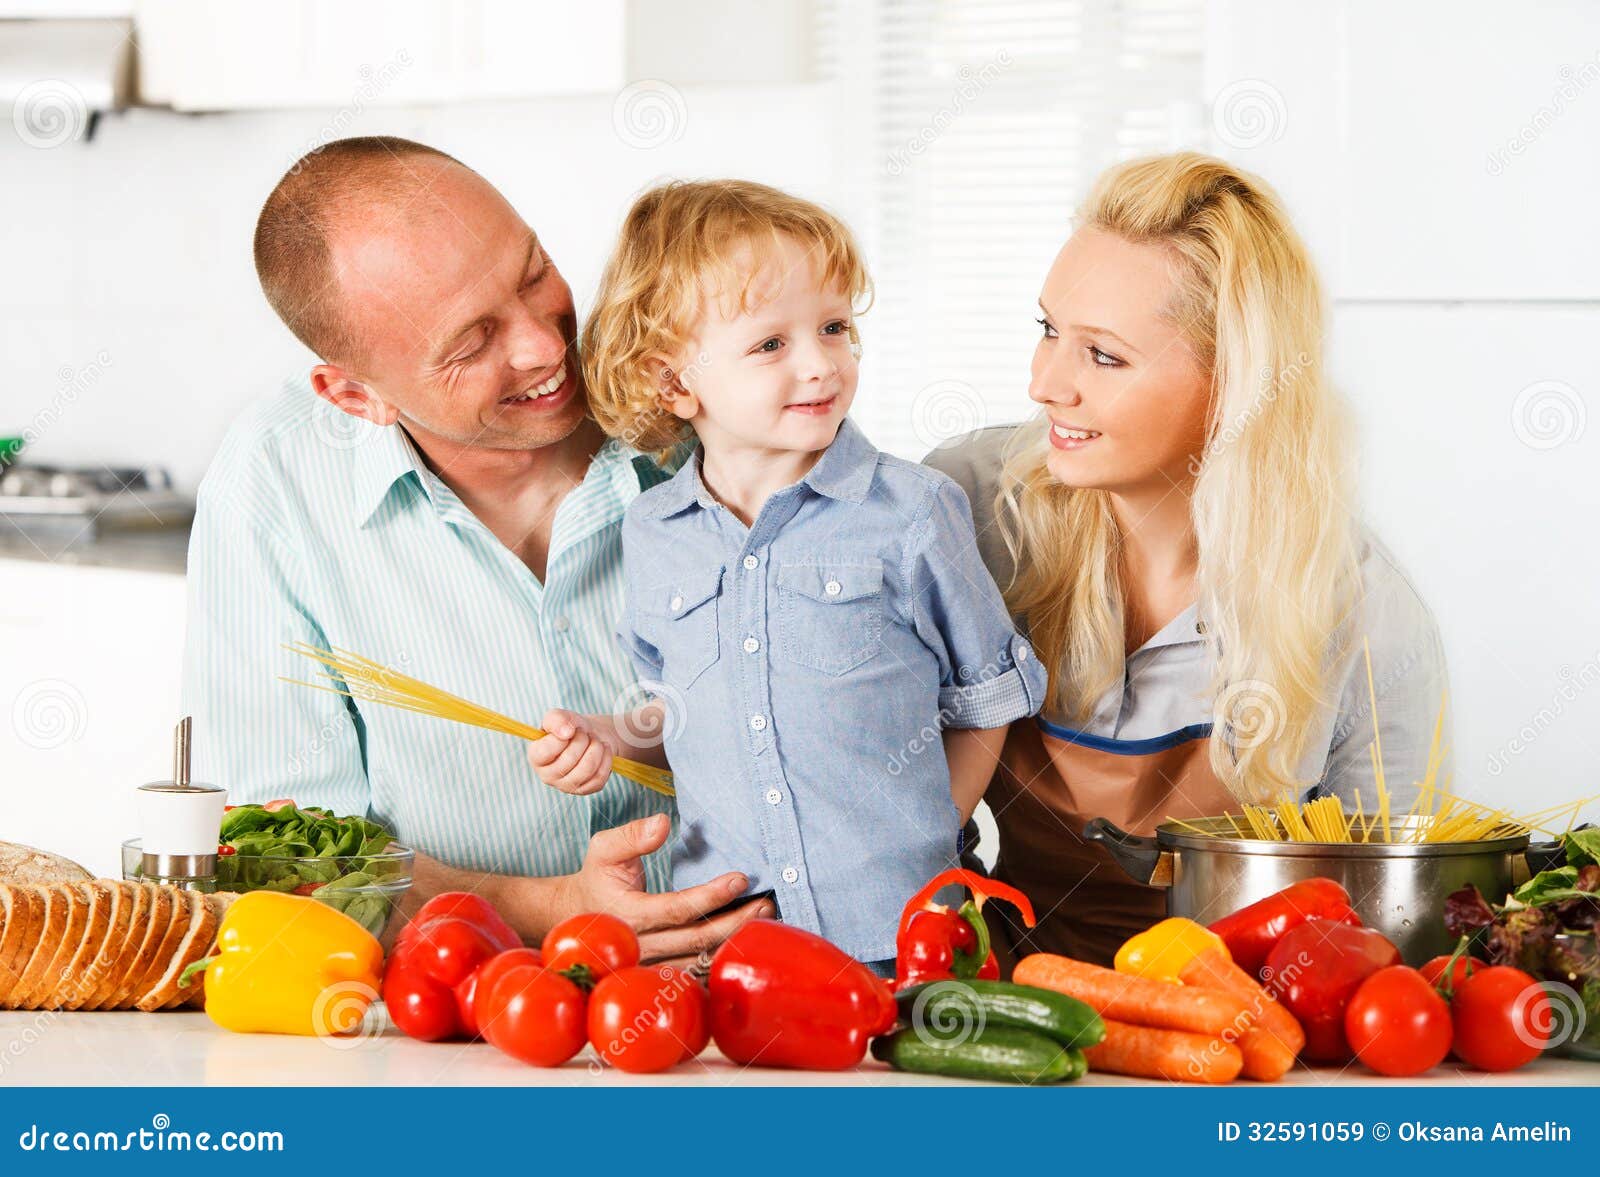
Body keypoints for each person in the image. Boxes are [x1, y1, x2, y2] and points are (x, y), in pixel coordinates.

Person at [182, 137, 773, 961]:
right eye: (472, 341)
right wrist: (554, 907)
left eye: (534, 274)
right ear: (355, 393)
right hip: (468, 996)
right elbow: (290, 849)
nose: (541, 345)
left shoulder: (698, 385)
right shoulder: (273, 482)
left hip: (772, 972)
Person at [928, 153, 1449, 966]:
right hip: (997, 1008)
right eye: (1047, 330)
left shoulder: (1368, 615)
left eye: (1102, 355)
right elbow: (847, 769)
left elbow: (1386, 934)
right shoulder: (965, 511)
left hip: (1241, 1037)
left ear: (1236, 384)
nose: (1044, 383)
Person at [525, 180, 1046, 969]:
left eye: (835, 327)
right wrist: (606, 736)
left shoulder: (912, 510)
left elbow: (988, 696)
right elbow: (689, 710)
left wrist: (932, 827)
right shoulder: (653, 532)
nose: (820, 364)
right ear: (675, 383)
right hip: (732, 954)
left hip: (901, 943)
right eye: (771, 344)